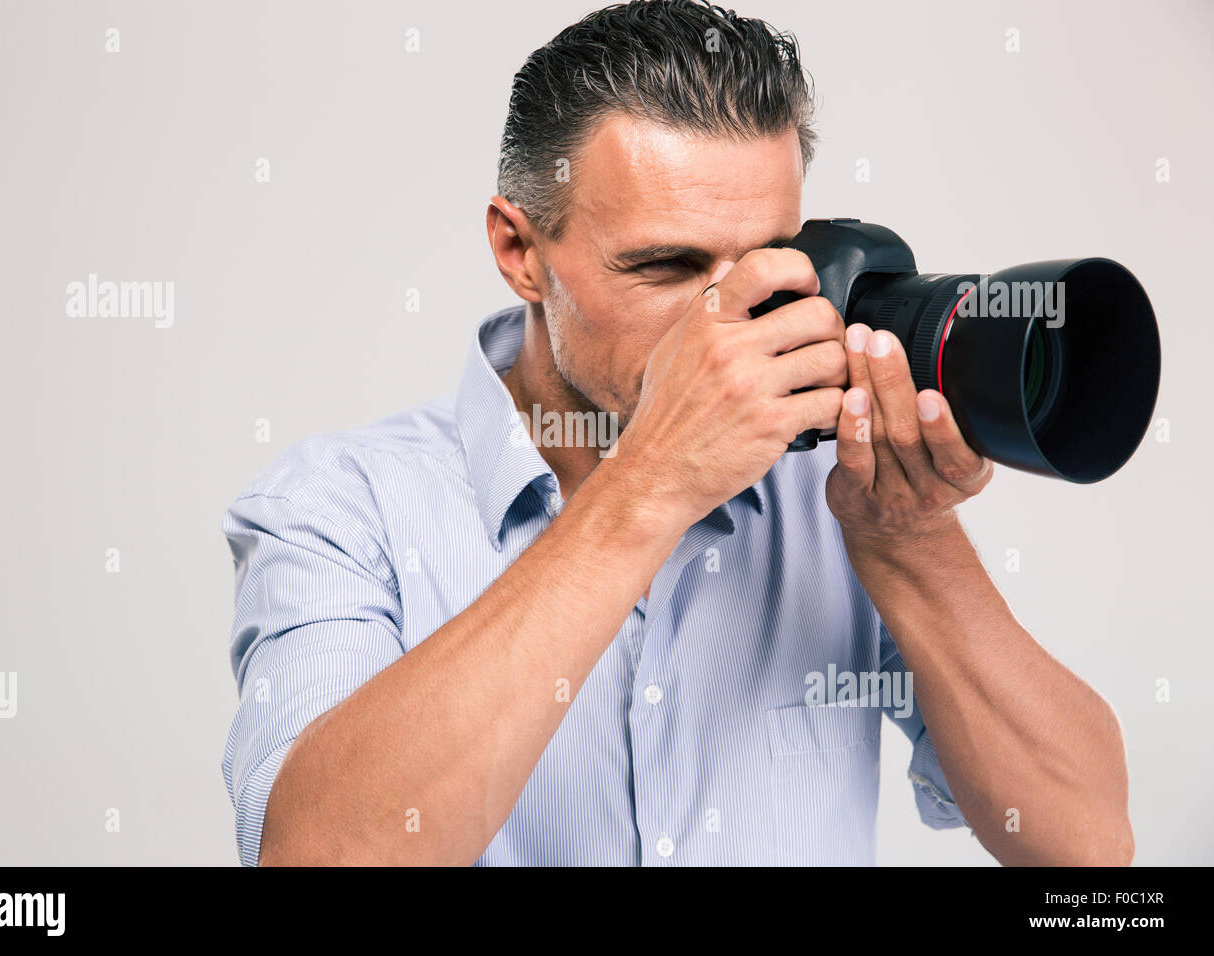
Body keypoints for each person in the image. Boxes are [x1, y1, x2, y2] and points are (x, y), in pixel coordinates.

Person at [221, 0, 1132, 866]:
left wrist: (912, 543)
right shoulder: (339, 506)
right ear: (520, 252)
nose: (728, 320)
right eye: (666, 265)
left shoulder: (831, 499)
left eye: (771, 259)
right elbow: (318, 853)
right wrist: (650, 483)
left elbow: (1089, 847)